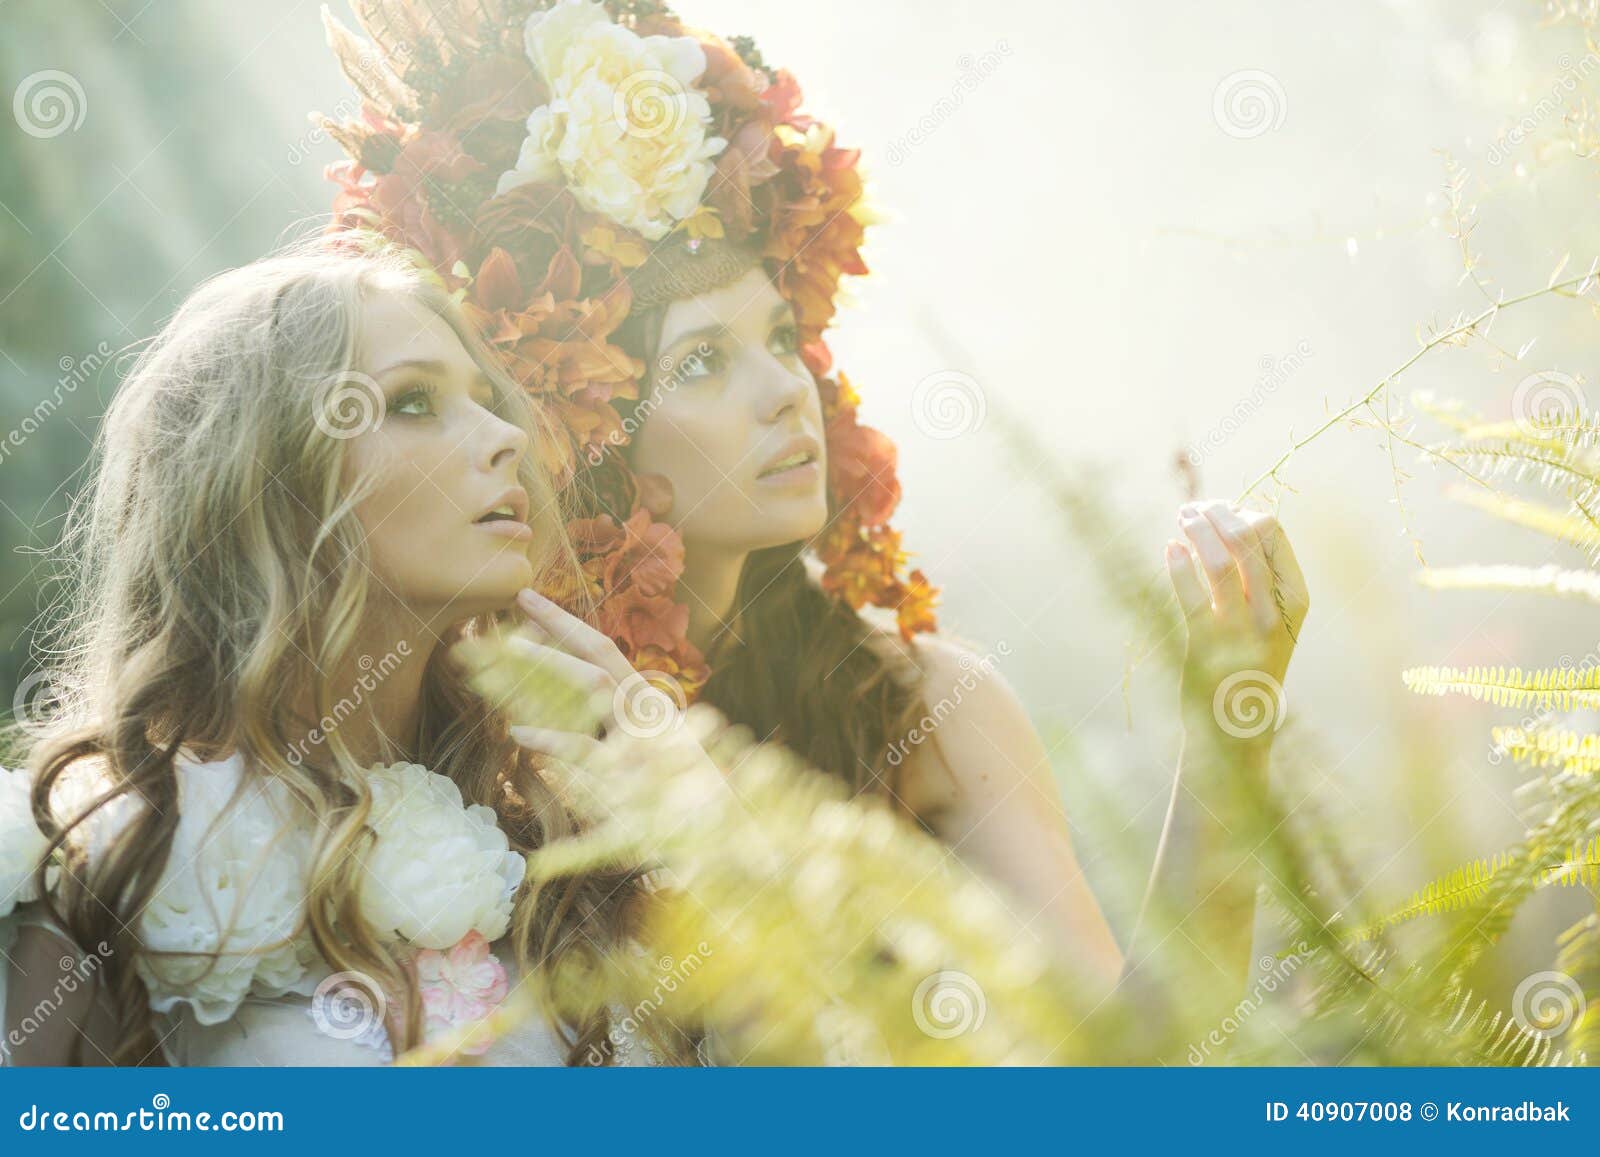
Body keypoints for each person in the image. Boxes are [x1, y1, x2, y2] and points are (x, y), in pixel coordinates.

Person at [314, 0, 1311, 1004]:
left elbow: (1137, 1076)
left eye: (782, 338)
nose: (785, 388)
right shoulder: (492, 752)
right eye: (701, 361)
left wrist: (1230, 730)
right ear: (584, 429)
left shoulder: (924, 707)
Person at [0, 241, 670, 1066]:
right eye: (415, 400)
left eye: (489, 400)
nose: (505, 435)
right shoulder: (93, 866)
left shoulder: (564, 840)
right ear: (266, 477)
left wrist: (712, 841)